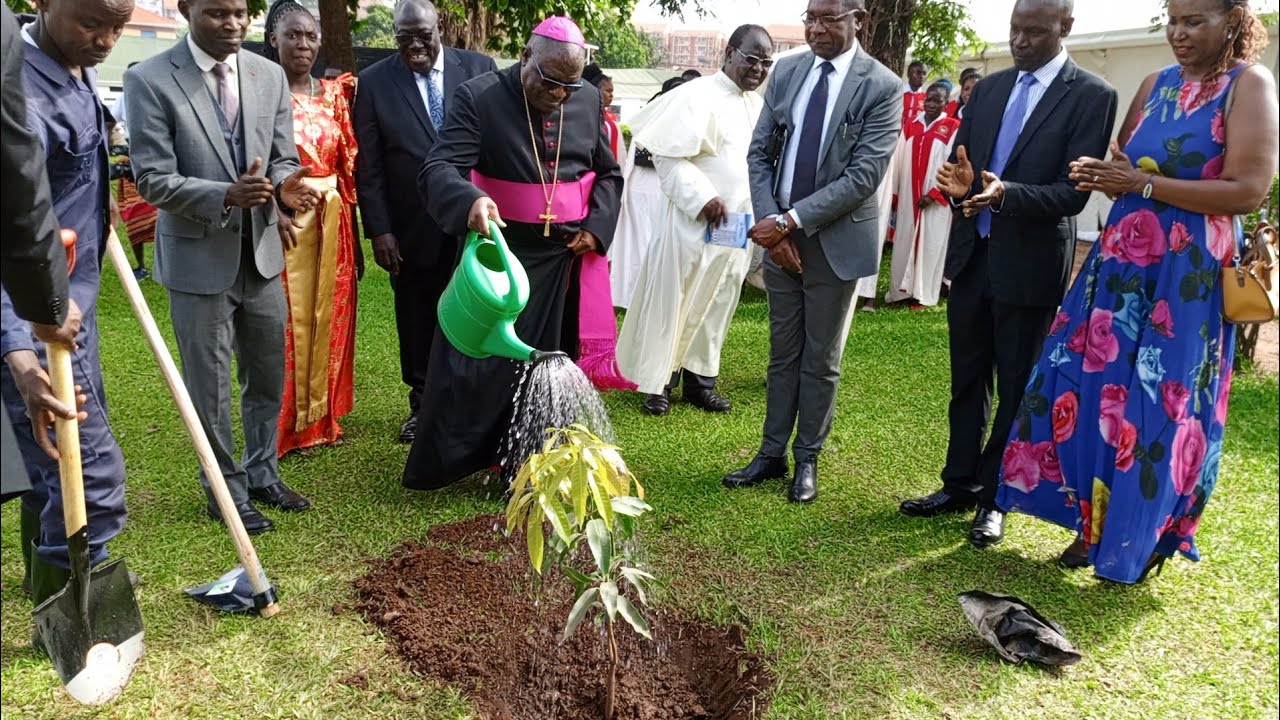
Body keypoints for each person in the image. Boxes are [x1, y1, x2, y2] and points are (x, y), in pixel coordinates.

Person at [996, 0, 1277, 583]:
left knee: (1161, 400)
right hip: (1123, 265)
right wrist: (1103, 176)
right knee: (1096, 388)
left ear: (1232, 19)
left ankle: (1143, 536)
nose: (1179, 33)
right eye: (1173, 20)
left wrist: (1143, 184)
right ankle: (1091, 524)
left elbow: (1248, 190)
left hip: (1188, 274)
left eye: (1194, 21)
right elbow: (1124, 166)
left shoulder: (1248, 86)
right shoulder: (1155, 84)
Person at [899, 0, 1119, 549]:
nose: (1020, 41)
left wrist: (1006, 194)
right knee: (967, 378)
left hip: (1030, 263)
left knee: (1016, 385)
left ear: (1066, 28)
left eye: (1034, 32)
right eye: (1015, 30)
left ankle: (995, 499)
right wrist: (962, 187)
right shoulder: (991, 89)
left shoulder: (1092, 95)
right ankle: (958, 483)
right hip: (974, 256)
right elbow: (965, 169)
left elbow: (1072, 193)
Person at [125, 0, 322, 535]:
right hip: (197, 260)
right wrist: (225, 195)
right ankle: (224, 491)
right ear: (186, 9)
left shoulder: (268, 75)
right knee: (209, 387)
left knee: (267, 373)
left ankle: (262, 473)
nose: (233, 24)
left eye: (240, 12)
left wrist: (282, 187)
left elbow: (282, 156)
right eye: (217, 13)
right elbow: (151, 179)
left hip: (261, 256)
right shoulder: (149, 79)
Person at [406, 16, 623, 490]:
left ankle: (532, 460)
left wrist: (596, 227)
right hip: (501, 255)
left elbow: (608, 173)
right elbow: (439, 166)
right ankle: (463, 457)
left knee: (548, 364)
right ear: (525, 57)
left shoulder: (587, 98)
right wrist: (469, 200)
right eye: (550, 81)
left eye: (570, 85)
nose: (560, 94)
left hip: (562, 256)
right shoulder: (479, 96)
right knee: (476, 365)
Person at [724, 0, 901, 504]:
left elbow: (863, 177)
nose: (816, 28)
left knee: (820, 358)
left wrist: (789, 221)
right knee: (782, 353)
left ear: (858, 20)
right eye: (810, 18)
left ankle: (807, 458)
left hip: (834, 241)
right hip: (780, 237)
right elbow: (760, 154)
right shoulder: (788, 72)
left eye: (829, 19)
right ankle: (770, 453)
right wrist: (774, 227)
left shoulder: (882, 86)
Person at [0, 0, 133, 629]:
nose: (106, 39)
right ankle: (70, 621)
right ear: (44, 3)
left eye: (118, 26)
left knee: (49, 460)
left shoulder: (72, 63)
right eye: (92, 23)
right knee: (92, 476)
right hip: (33, 319)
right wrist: (20, 355)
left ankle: (41, 585)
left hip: (74, 308)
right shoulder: (20, 95)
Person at [353, 0, 496, 444]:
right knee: (417, 316)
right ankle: (421, 403)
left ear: (440, 30)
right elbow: (369, 166)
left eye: (423, 35)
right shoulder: (374, 83)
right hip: (410, 226)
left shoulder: (479, 69)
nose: (414, 45)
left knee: (478, 309)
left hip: (475, 222)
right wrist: (380, 230)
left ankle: (470, 401)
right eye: (404, 37)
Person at [616, 25, 773, 416]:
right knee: (675, 299)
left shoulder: (757, 107)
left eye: (765, 63)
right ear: (729, 53)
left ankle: (701, 384)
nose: (758, 69)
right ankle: (658, 384)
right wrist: (703, 197)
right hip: (692, 221)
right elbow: (667, 157)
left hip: (735, 225)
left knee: (720, 299)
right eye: (752, 59)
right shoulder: (696, 94)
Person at [263, 0, 361, 455]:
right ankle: (286, 426)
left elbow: (347, 166)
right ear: (274, 40)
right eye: (293, 35)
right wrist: (271, 209)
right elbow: (250, 160)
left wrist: (354, 233)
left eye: (310, 36)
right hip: (286, 224)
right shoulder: (260, 96)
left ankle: (323, 418)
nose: (303, 44)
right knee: (289, 323)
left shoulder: (335, 95)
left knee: (331, 316)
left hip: (334, 223)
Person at [573, 63, 633, 391]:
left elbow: (612, 169)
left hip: (593, 210)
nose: (609, 96)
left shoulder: (607, 123)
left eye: (611, 92)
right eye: (605, 90)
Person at [609, 75, 688, 309]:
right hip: (645, 188)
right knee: (643, 244)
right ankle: (639, 294)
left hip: (667, 189)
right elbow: (645, 156)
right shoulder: (654, 115)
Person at [885, 82, 959, 307]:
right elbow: (898, 159)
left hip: (935, 200)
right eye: (929, 99)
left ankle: (922, 294)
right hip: (909, 196)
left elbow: (954, 165)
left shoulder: (952, 127)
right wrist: (895, 194)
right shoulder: (912, 124)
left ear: (947, 103)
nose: (932, 104)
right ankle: (900, 292)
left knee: (931, 245)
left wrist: (935, 193)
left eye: (938, 100)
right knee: (904, 242)